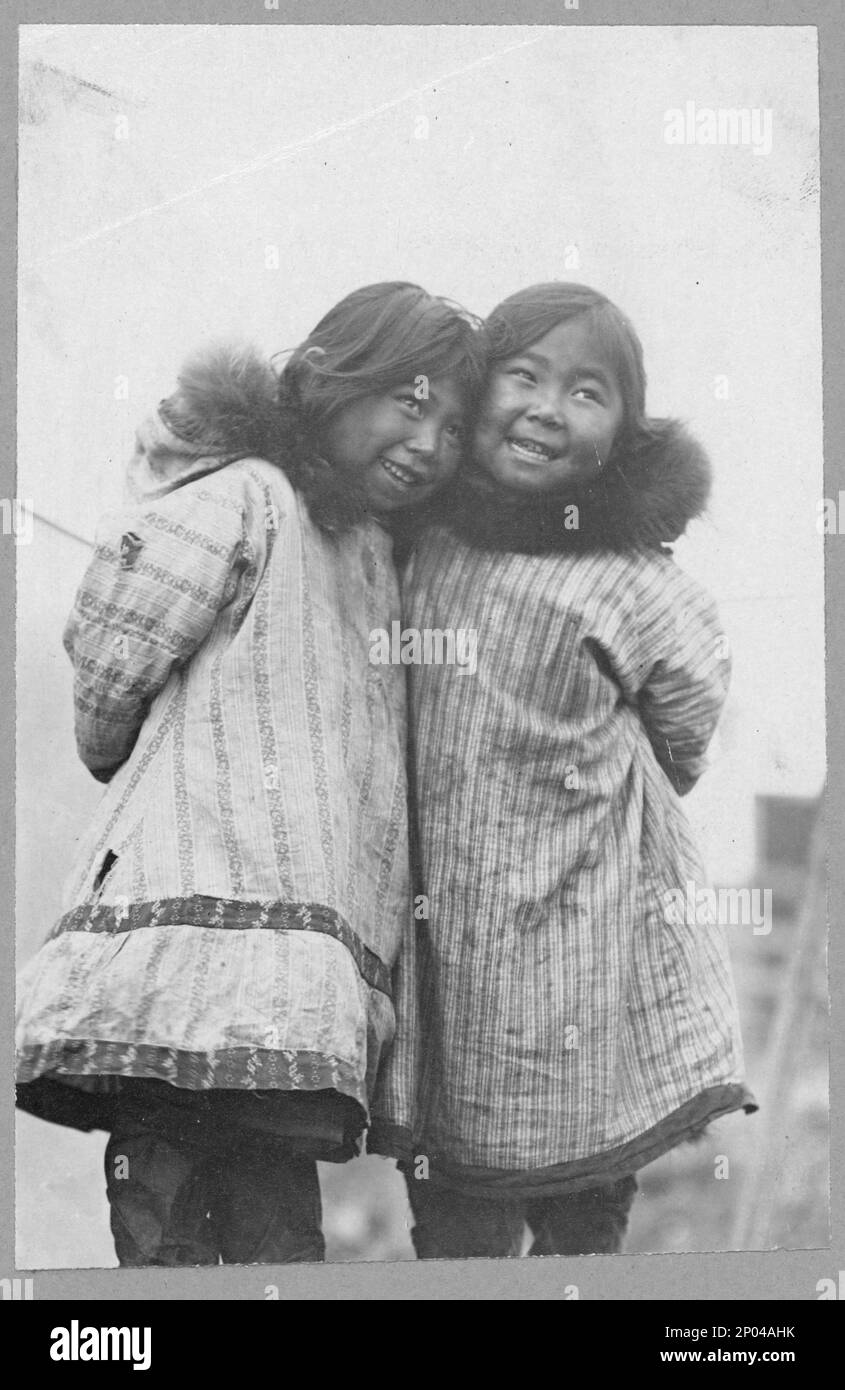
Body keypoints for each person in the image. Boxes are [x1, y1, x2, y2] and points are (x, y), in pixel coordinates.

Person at [16, 281, 483, 1266]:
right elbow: (117, 640)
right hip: (182, 949)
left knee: (277, 1240)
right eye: (409, 397)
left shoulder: (373, 560)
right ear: (329, 377)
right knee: (166, 1230)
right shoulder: (250, 494)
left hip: (283, 1004)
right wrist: (116, 740)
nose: (430, 437)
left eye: (451, 420)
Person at [370, 281, 756, 1258]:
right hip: (455, 956)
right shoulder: (425, 543)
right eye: (524, 375)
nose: (546, 407)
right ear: (476, 384)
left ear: (623, 430)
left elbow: (687, 714)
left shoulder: (625, 576)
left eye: (586, 392)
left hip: (585, 945)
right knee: (456, 1225)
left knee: (584, 1224)